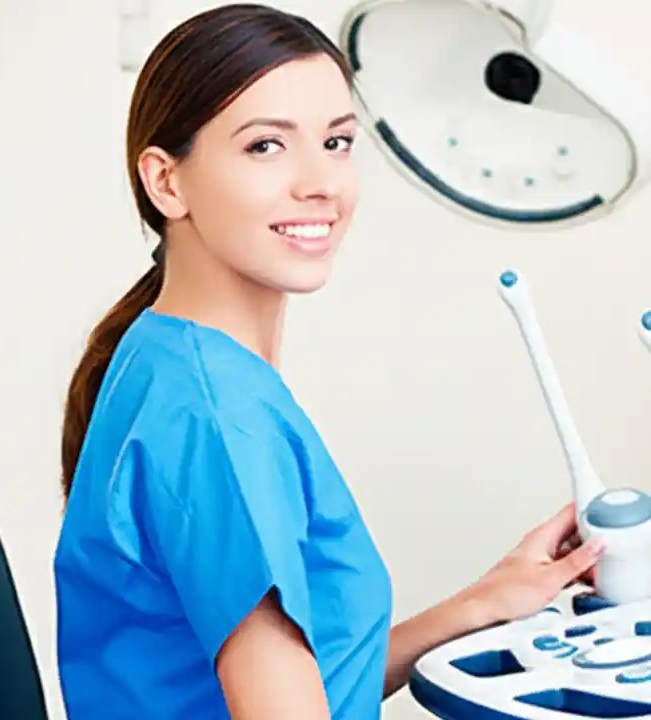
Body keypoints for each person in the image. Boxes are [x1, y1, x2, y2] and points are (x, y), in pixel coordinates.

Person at [52, 4, 606, 718]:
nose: (321, 182)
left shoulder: (164, 355)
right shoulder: (218, 423)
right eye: (266, 146)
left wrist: (481, 604)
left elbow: (303, 687)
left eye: (337, 142)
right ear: (167, 182)